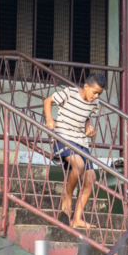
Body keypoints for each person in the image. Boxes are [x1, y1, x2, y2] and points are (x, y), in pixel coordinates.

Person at [44, 73, 106, 229]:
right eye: (94, 92)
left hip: (81, 142)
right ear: (86, 87)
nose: (96, 96)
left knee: (91, 179)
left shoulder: (94, 104)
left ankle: (77, 219)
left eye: (99, 94)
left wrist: (89, 129)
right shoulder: (70, 93)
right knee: (77, 165)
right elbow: (48, 101)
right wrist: (50, 119)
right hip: (64, 137)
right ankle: (68, 194)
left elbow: (86, 119)